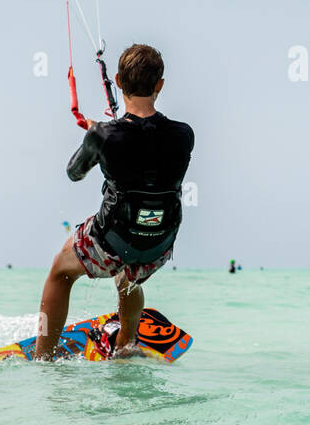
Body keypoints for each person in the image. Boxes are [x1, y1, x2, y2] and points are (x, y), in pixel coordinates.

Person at [35, 44, 194, 360]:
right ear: (159, 84)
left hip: (113, 239)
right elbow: (148, 149)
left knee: (59, 270)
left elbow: (74, 173)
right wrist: (106, 133)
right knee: (129, 276)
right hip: (159, 242)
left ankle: (42, 359)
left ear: (118, 81)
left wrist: (95, 136)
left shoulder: (104, 135)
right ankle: (125, 345)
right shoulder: (184, 134)